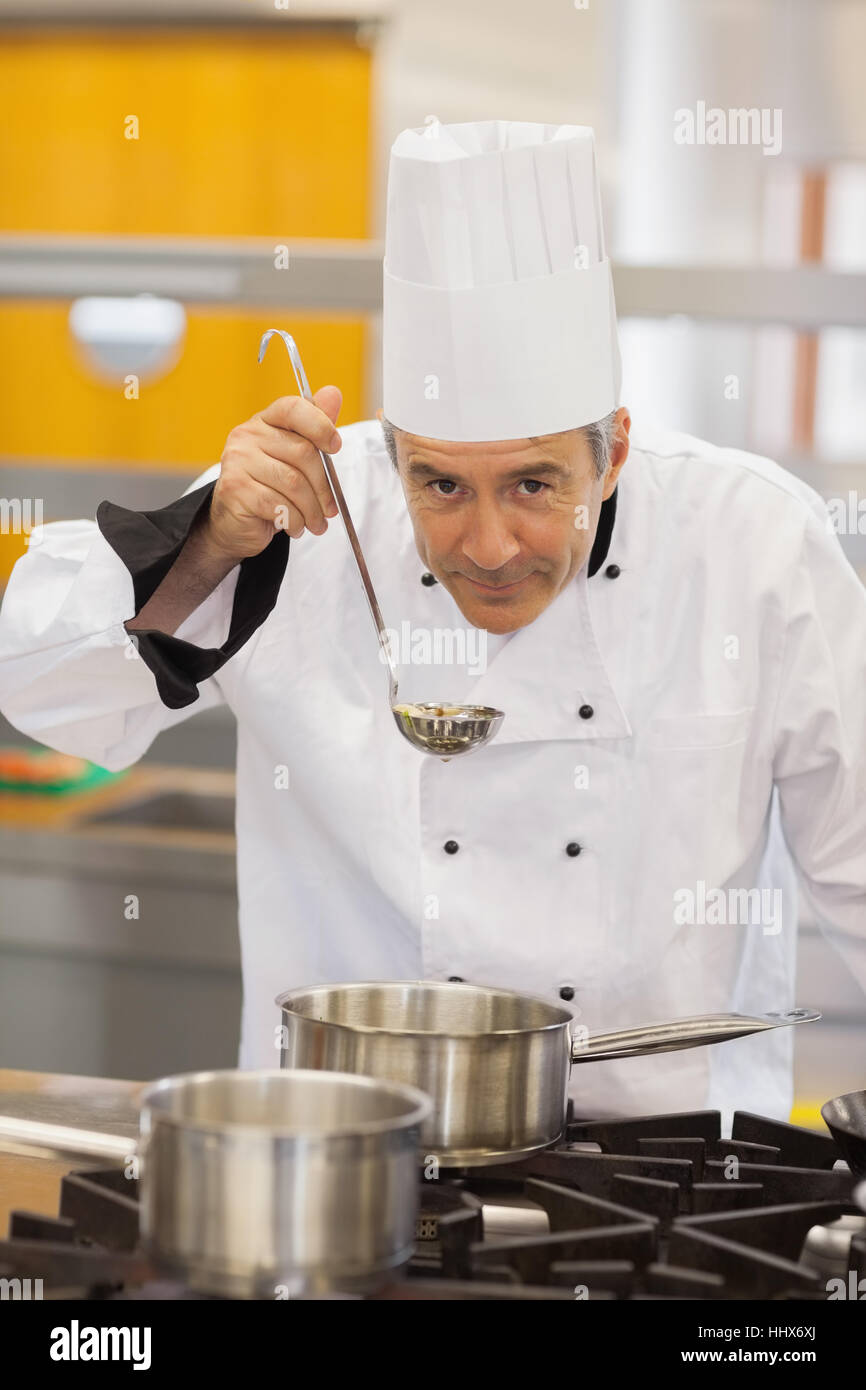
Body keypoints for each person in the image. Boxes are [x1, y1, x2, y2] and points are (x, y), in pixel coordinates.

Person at [1, 120, 864, 1130]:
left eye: (536, 484)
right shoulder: (301, 514)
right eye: (440, 482)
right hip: (337, 1162)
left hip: (666, 1169)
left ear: (615, 450)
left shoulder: (751, 544)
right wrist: (203, 545)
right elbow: (40, 686)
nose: (489, 543)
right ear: (391, 447)